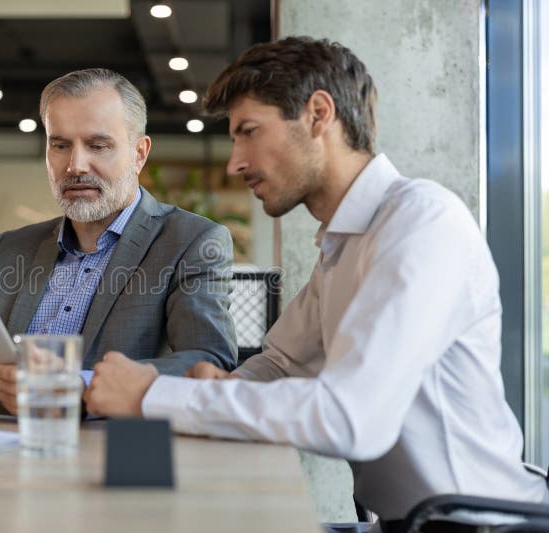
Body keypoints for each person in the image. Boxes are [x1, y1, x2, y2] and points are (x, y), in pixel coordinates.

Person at [83, 37, 549, 525]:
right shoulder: (345, 241)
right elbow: (282, 363)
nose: (235, 162)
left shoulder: (422, 222)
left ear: (318, 115)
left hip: (483, 523)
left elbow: (352, 418)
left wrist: (155, 395)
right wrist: (226, 387)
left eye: (249, 132)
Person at [0, 68, 237, 416]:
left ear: (139, 153)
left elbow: (208, 361)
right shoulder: (13, 248)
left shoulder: (189, 241)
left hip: (114, 443)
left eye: (98, 145)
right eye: (60, 145)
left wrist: (78, 388)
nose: (75, 165)